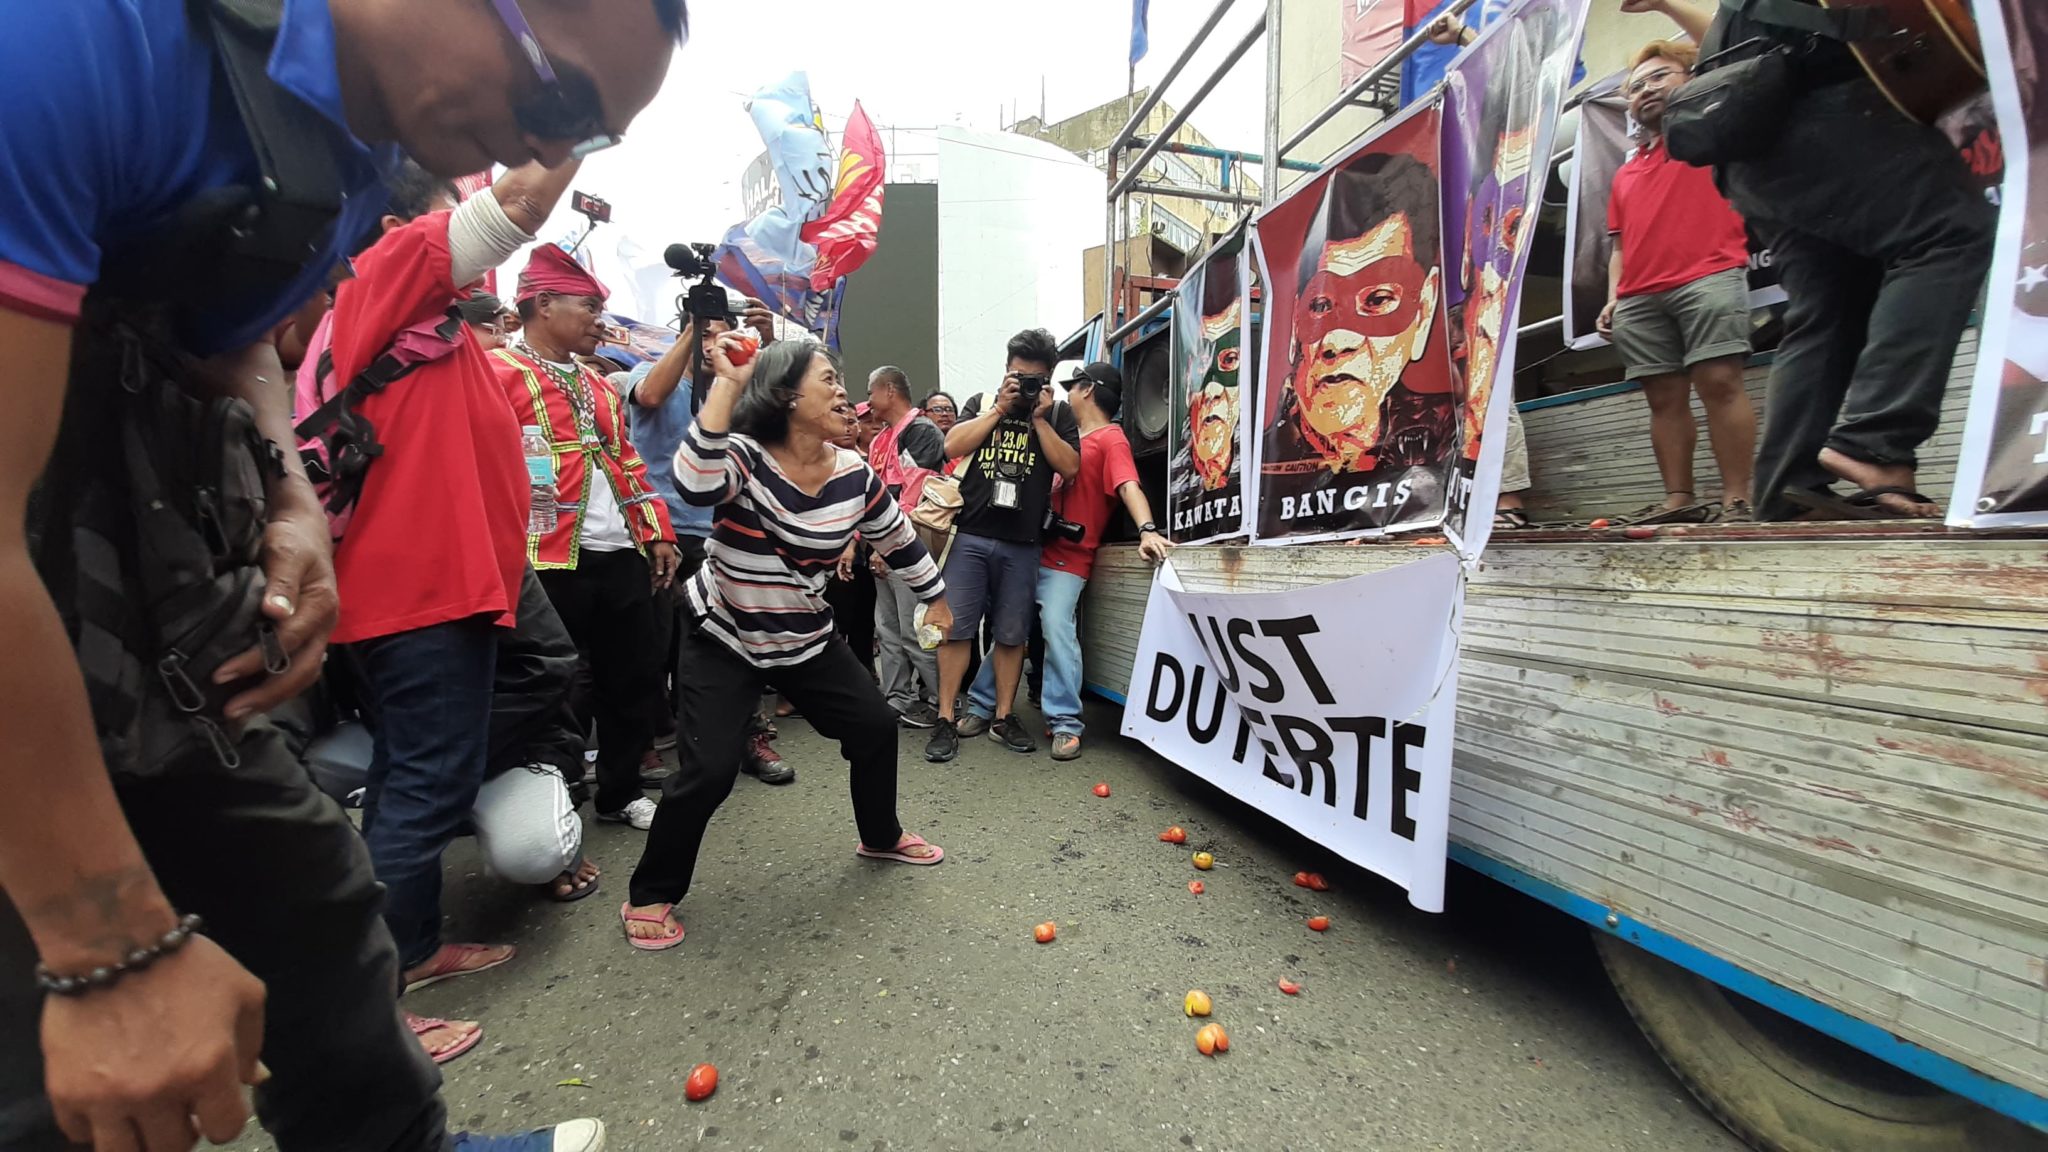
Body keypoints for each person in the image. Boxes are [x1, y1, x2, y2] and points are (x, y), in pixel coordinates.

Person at [0, 0, 681, 1147]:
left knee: (314, 903)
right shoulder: (78, 36)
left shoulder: (350, 156)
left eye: (582, 136)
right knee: (55, 1065)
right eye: (554, 100)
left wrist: (284, 490)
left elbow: (231, 344)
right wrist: (106, 943)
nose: (532, 147)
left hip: (145, 634)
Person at [312, 157, 598, 1065]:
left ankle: (421, 946)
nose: (466, 224)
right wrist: (579, 107)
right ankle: (375, 1013)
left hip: (443, 590)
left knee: (419, 777)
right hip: (413, 596)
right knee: (424, 786)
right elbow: (515, 203)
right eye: (449, 206)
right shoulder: (386, 269)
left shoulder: (437, 324)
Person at [621, 336, 953, 949]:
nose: (842, 392)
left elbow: (898, 538)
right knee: (711, 770)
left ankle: (880, 836)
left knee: (876, 727)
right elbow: (692, 486)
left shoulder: (854, 473)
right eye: (827, 379)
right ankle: (651, 892)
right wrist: (727, 380)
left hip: (803, 634)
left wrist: (934, 594)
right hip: (725, 632)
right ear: (784, 395)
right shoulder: (744, 456)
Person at [1688, 0, 1996, 518]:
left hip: (1750, 135)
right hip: (1822, 104)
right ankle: (1875, 444)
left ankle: (1789, 487)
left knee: (1830, 302)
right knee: (1948, 233)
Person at [497, 249, 680, 832]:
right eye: (590, 306)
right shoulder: (498, 373)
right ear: (543, 305)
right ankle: (550, 795)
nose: (600, 319)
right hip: (541, 555)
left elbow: (627, 461)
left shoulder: (599, 384)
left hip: (618, 552)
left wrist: (656, 533)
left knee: (633, 675)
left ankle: (620, 791)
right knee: (550, 684)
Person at [623, 296, 793, 785]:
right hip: (658, 532)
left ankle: (748, 739)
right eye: (707, 332)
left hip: (721, 531)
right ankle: (643, 747)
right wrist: (694, 331)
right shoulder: (646, 372)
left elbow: (780, 409)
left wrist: (771, 343)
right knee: (651, 649)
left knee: (732, 645)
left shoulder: (733, 387)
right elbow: (651, 397)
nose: (718, 340)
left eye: (726, 331)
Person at [1593, 39, 1759, 524]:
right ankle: (1679, 501)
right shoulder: (1626, 173)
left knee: (1721, 381)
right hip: (1640, 298)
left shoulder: (1714, 135)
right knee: (1662, 399)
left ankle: (1737, 499)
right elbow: (1619, 246)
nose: (1646, 90)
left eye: (1660, 76)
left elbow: (1722, 46)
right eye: (1637, 86)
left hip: (1710, 275)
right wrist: (1612, 299)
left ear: (1693, 77)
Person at [967, 364, 1168, 760]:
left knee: (1057, 628)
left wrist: (1147, 528)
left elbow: (1128, 484)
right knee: (1009, 630)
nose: (1066, 394)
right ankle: (980, 704)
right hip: (1031, 548)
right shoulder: (1064, 432)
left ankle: (1065, 723)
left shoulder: (1112, 439)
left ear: (1088, 390)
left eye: (1072, 386)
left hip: (1069, 557)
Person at [1259, 151, 1452, 535]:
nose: (1339, 340)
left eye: (1378, 300)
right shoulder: (1260, 466)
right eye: (1321, 305)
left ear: (1424, 309)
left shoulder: (1445, 438)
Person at [924, 329, 1081, 761]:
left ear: (1048, 377)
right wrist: (999, 407)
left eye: (1034, 379)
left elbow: (1069, 468)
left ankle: (1003, 716)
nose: (1026, 385)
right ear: (1006, 369)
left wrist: (1039, 418)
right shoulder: (980, 404)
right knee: (955, 631)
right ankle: (944, 718)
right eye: (1017, 375)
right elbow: (950, 447)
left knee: (1012, 635)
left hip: (1023, 541)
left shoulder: (1058, 413)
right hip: (970, 533)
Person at [864, 367, 949, 728]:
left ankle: (940, 699)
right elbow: (870, 497)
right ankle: (897, 698)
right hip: (881, 547)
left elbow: (916, 494)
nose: (868, 401)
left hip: (910, 547)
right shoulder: (880, 439)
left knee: (917, 627)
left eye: (871, 392)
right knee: (887, 628)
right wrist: (866, 544)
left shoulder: (922, 431)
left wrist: (887, 547)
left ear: (888, 390)